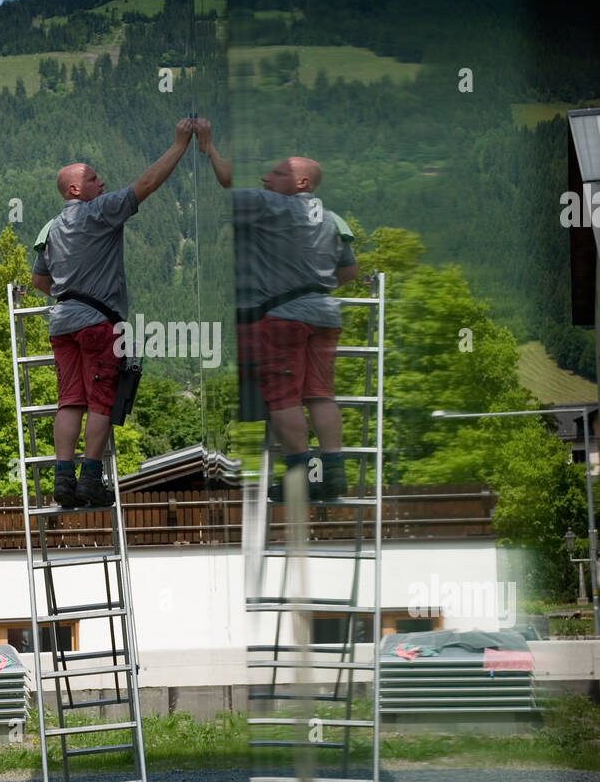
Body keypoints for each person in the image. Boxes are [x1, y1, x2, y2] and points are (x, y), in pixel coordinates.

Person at [31, 118, 195, 508]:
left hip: (62, 323)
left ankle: (62, 480)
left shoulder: (52, 229)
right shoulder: (100, 212)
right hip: (98, 324)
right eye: (94, 178)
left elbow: (40, 281)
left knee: (69, 401)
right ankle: (90, 480)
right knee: (102, 401)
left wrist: (70, 289)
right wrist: (179, 146)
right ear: (75, 189)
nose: (101, 183)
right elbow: (148, 184)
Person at [194, 117, 358, 501]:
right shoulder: (332, 220)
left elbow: (226, 184)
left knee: (283, 396)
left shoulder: (273, 206)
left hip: (284, 317)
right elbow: (349, 272)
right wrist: (314, 282)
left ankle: (299, 475)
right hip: (326, 316)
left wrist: (209, 150)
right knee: (320, 394)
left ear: (301, 183)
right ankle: (333, 472)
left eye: (277, 173)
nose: (267, 179)